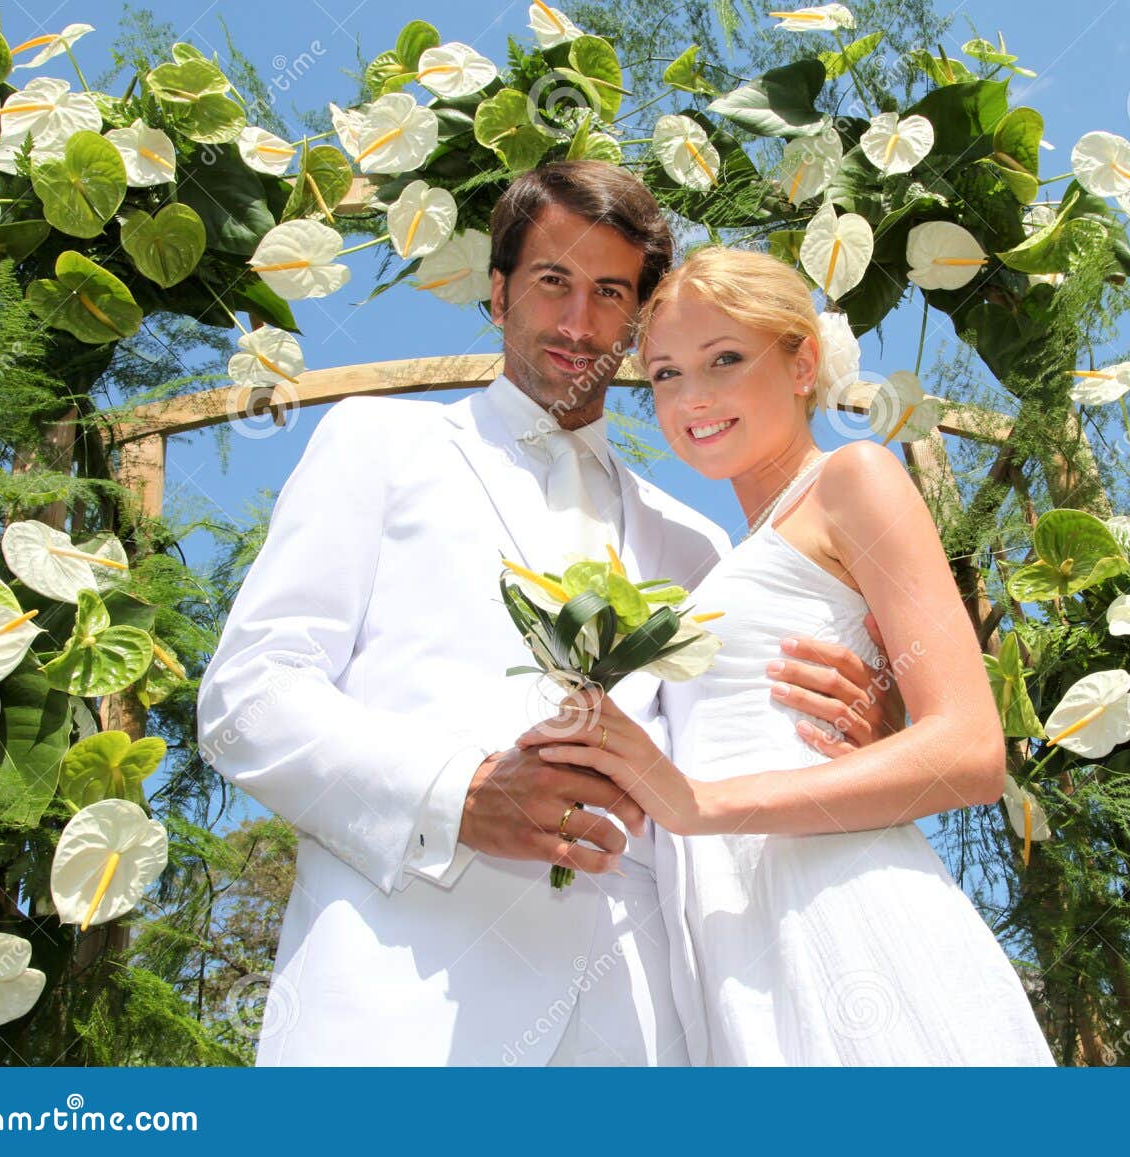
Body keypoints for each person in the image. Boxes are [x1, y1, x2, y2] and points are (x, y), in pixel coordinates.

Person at [195, 163, 903, 1066]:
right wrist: (458, 794)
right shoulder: (379, 443)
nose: (578, 323)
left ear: (637, 321)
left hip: (641, 1029)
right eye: (552, 281)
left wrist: (868, 728)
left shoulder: (695, 545)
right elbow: (249, 699)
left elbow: (730, 757)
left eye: (610, 293)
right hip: (399, 1014)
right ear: (497, 294)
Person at [516, 247, 1055, 1065]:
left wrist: (696, 801)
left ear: (802, 364)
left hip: (838, 904)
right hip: (734, 937)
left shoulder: (853, 478)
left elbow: (971, 750)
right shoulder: (719, 560)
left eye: (725, 359)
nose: (692, 397)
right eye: (665, 374)